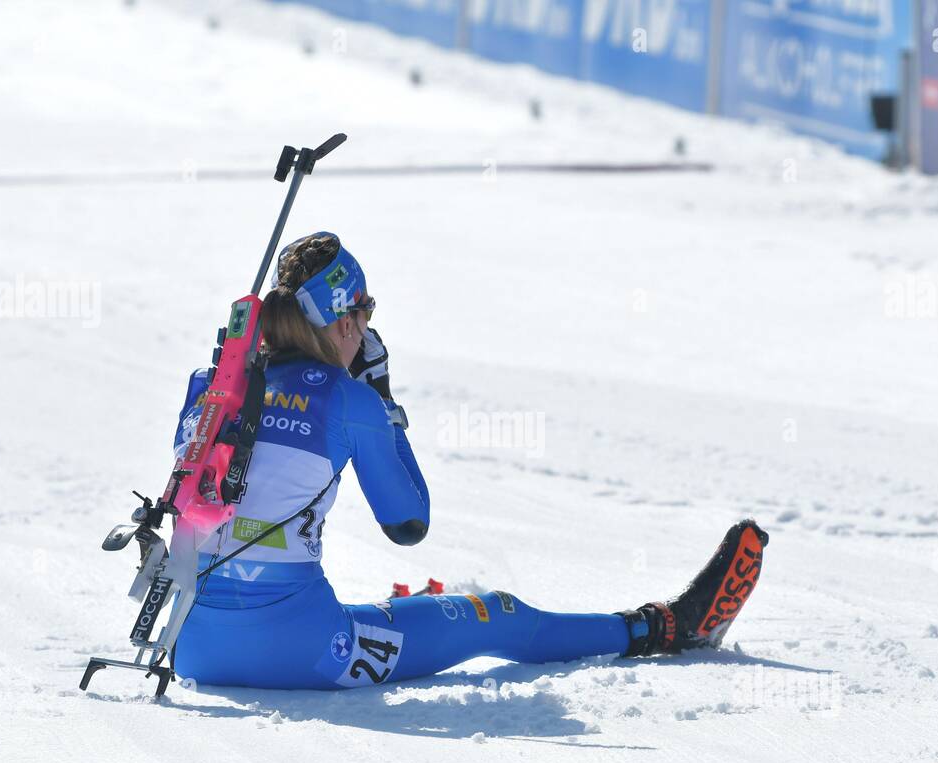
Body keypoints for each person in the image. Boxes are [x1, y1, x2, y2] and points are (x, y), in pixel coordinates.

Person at [171, 232, 768, 690]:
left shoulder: (212, 385)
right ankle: (661, 627)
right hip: (308, 651)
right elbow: (408, 522)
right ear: (347, 321)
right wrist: (381, 398)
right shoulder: (350, 399)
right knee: (495, 614)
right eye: (366, 315)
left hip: (191, 646)